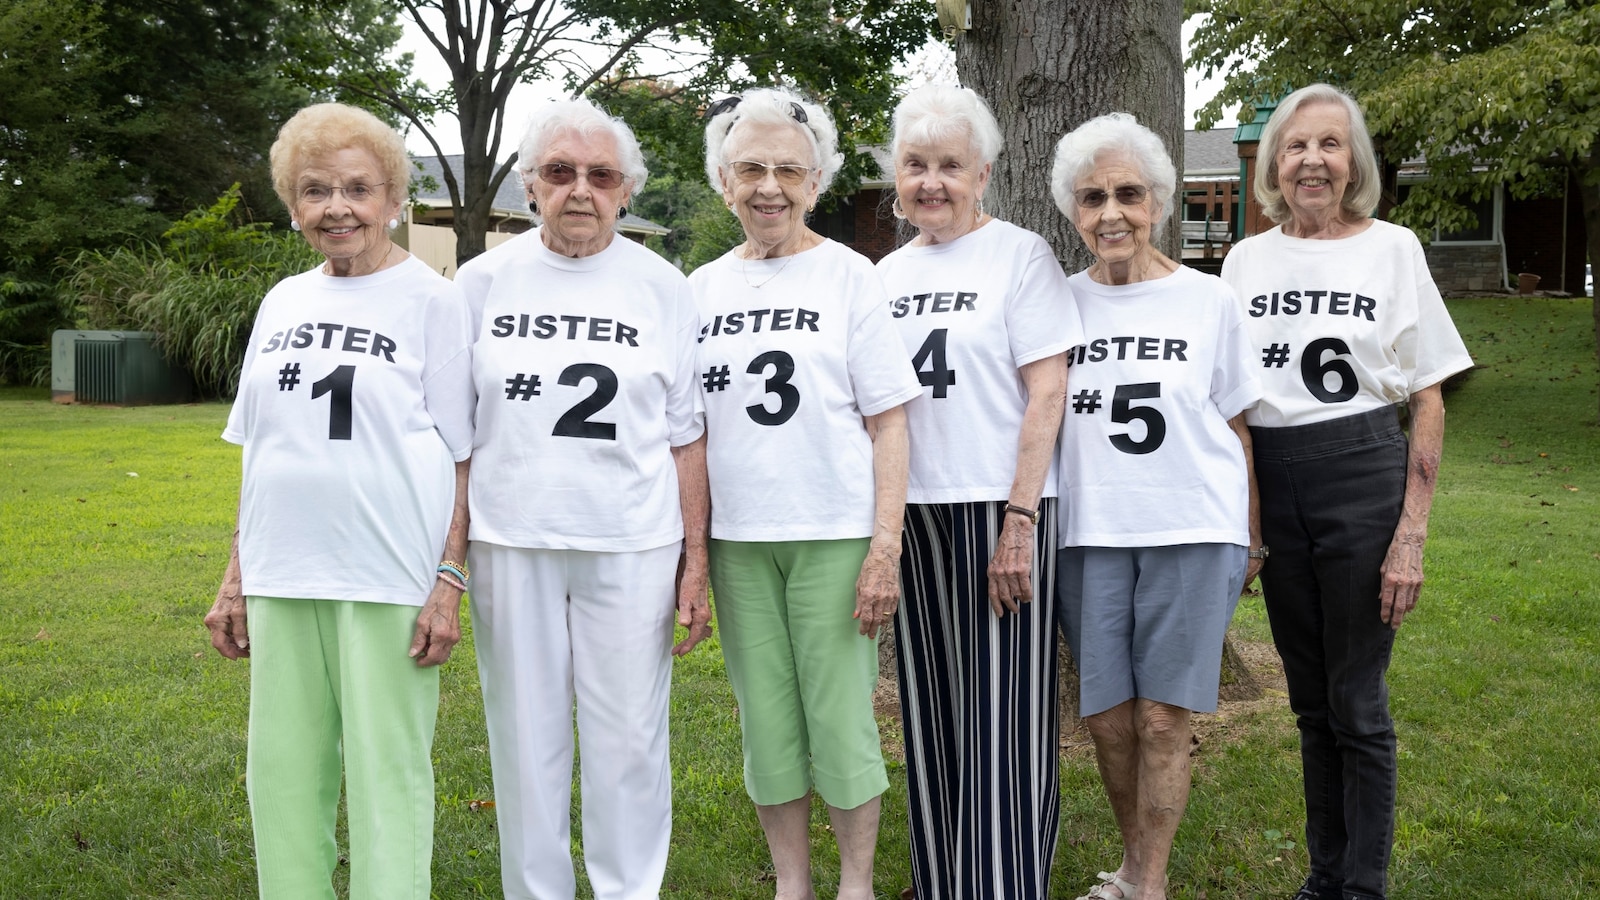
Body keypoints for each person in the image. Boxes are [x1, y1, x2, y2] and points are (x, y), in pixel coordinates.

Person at [204, 102, 475, 900]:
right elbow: (262, 452)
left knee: (388, 775)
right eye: (316, 190)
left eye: (358, 188)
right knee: (281, 776)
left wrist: (449, 580)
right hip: (284, 570)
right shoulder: (282, 301)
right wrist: (236, 578)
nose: (338, 208)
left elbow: (465, 459)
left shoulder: (432, 301)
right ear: (293, 205)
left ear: (392, 198)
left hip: (388, 574)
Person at [1221, 84, 1473, 900]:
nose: (1312, 161)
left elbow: (1429, 396)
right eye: (1295, 146)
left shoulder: (1393, 249)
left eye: (1330, 144)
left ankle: (1363, 885)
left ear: (1354, 160)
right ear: (1273, 165)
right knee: (1309, 702)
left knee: (1356, 698)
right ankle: (1323, 875)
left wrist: (1411, 535)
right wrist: (1250, 526)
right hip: (1275, 476)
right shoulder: (1245, 261)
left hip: (1362, 471)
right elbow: (1235, 407)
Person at [456, 97, 710, 900]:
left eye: (601, 176)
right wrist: (449, 561)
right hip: (511, 537)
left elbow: (687, 436)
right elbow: (454, 436)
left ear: (626, 191)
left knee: (628, 739)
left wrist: (695, 561)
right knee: (523, 739)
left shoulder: (663, 287)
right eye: (560, 172)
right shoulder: (480, 283)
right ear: (529, 184)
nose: (580, 190)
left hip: (632, 541)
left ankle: (628, 890)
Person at [692, 86, 921, 900]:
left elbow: (890, 422)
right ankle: (792, 884)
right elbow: (689, 435)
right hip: (738, 540)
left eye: (789, 170)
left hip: (833, 532)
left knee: (840, 717)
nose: (769, 188)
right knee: (766, 722)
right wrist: (693, 557)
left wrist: (884, 549)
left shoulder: (851, 277)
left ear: (816, 182)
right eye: (750, 169)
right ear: (723, 181)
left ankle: (855, 884)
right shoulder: (698, 289)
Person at [875, 83, 1084, 900]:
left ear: (984, 174)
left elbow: (1048, 392)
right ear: (897, 176)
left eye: (950, 166)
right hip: (914, 510)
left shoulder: (1021, 256)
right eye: (915, 164)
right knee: (931, 709)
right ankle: (941, 878)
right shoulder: (884, 274)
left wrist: (1020, 519)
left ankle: (1002, 882)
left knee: (1006, 713)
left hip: (1002, 509)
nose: (931, 182)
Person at [1048, 112, 1264, 900]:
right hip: (1088, 533)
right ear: (1073, 212)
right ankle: (1136, 865)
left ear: (1160, 204)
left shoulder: (1209, 301)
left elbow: (1239, 427)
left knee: (1164, 718)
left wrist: (1254, 538)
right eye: (1092, 197)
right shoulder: (1055, 303)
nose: (1112, 213)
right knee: (1107, 719)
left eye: (1129, 195)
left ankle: (1147, 883)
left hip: (1193, 529)